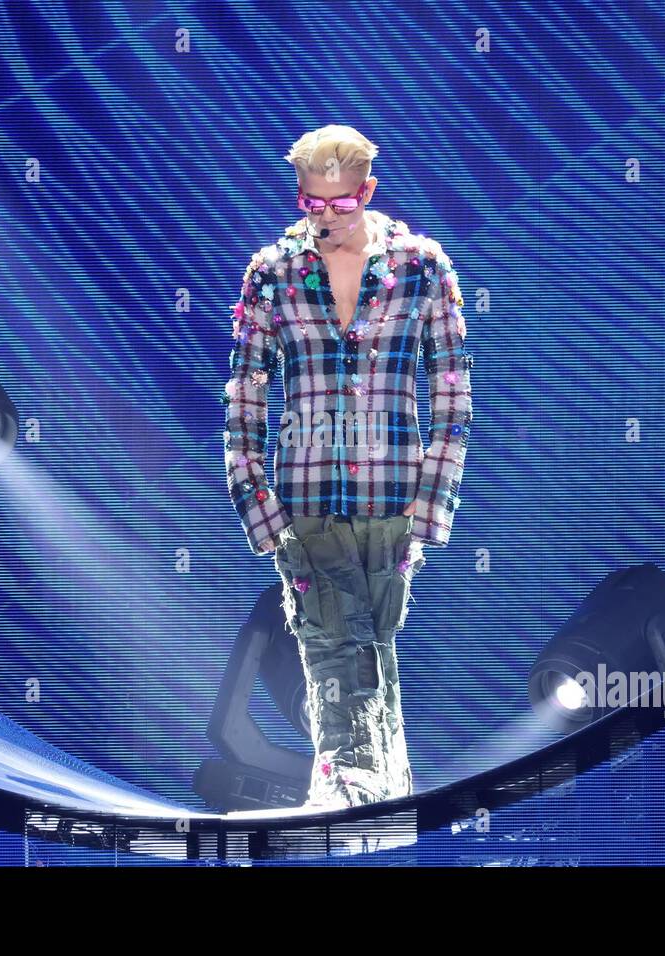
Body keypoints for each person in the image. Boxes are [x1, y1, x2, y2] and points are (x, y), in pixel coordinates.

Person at [223, 124, 473, 809]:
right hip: (304, 499)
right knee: (332, 645)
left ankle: (385, 809)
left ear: (366, 191)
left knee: (371, 652)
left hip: (396, 499)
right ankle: (349, 794)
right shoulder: (270, 274)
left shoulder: (423, 267)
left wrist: (431, 512)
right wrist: (259, 508)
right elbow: (245, 395)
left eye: (340, 204)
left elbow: (452, 395)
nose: (325, 218)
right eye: (312, 204)